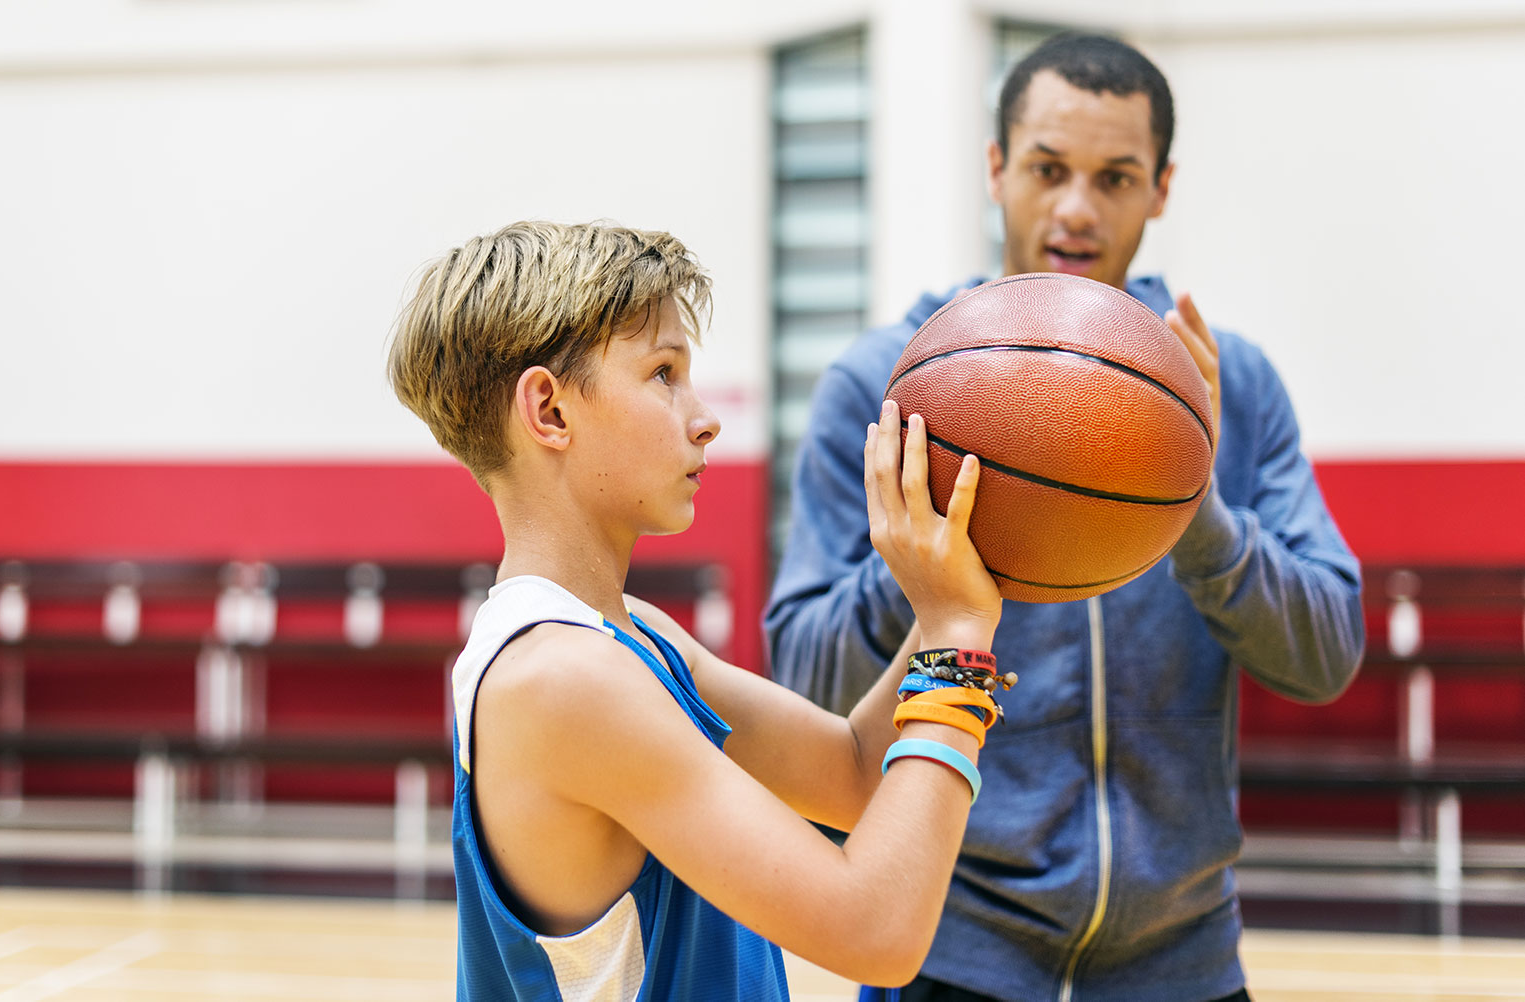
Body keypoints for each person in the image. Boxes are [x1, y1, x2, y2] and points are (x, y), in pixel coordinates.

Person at [765, 32, 1366, 1002]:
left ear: (1160, 187)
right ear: (995, 170)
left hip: (1182, 960)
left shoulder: (1229, 387)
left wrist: (1198, 514)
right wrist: (922, 558)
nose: (1076, 209)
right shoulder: (883, 388)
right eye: (1046, 169)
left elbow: (1324, 654)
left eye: (1115, 177)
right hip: (946, 953)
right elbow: (804, 681)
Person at [386, 220, 1017, 1000]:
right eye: (662, 373)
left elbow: (855, 774)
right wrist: (956, 644)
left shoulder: (630, 633)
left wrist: (956, 592)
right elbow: (877, 934)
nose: (704, 417)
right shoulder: (562, 680)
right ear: (548, 410)